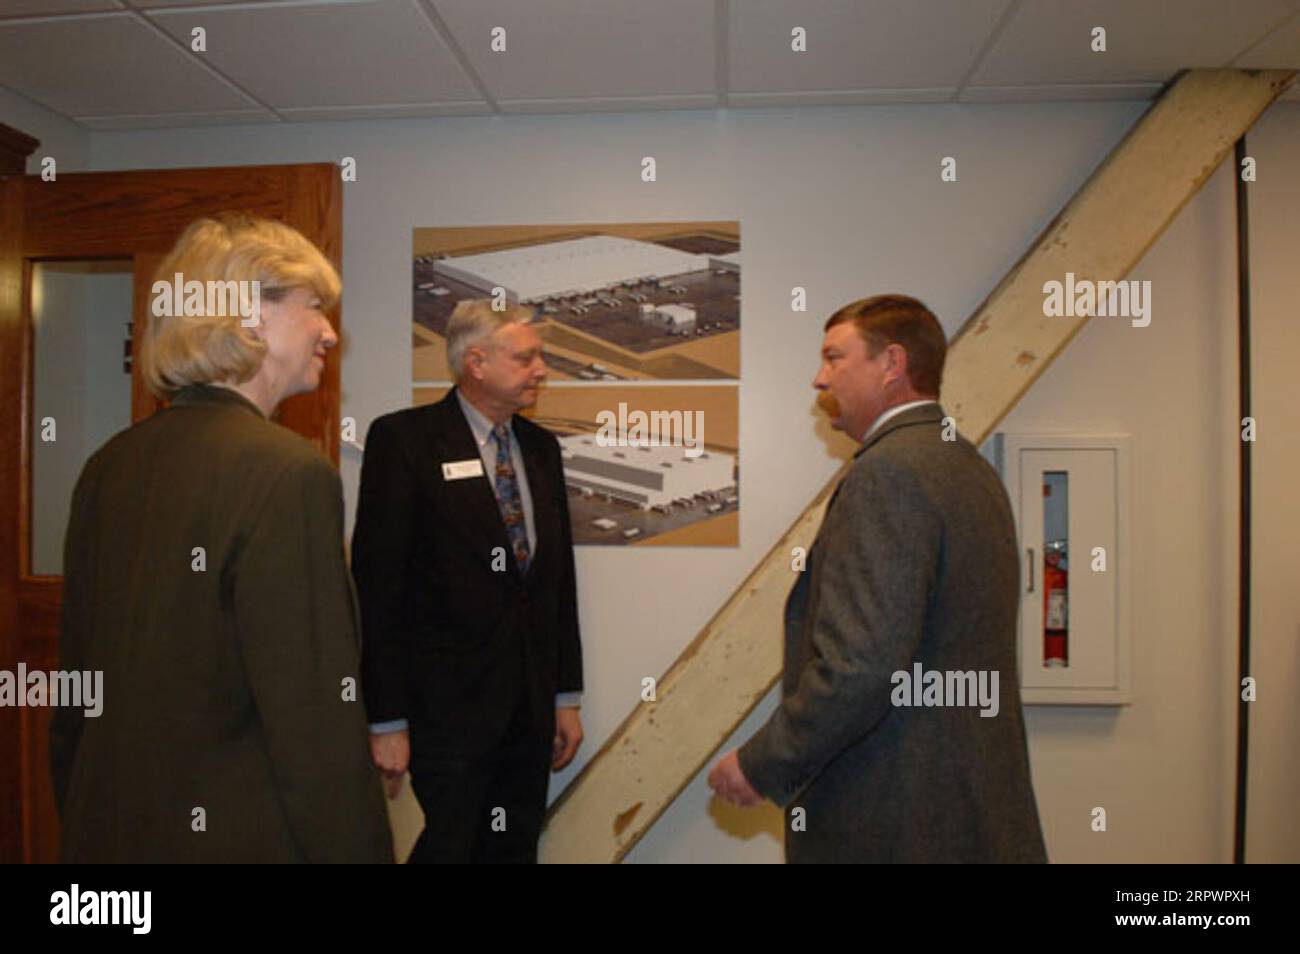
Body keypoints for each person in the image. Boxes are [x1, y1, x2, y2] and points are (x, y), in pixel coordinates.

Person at [50, 213, 393, 863]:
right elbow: (314, 726)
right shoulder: (289, 475)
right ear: (248, 318)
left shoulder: (110, 465)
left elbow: (76, 698)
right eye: (314, 307)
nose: (328, 331)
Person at [709, 294, 1046, 863]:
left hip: (897, 817)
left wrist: (762, 762)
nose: (820, 379)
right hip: (966, 810)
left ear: (892, 364)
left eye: (834, 358)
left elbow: (860, 666)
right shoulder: (966, 466)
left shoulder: (887, 474)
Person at [354, 299, 584, 864]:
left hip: (527, 714)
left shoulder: (541, 449)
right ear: (475, 363)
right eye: (525, 357)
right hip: (444, 714)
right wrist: (385, 720)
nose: (541, 369)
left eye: (540, 357)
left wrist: (565, 695)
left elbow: (557, 584)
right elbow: (376, 589)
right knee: (450, 849)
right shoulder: (405, 442)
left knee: (512, 850)